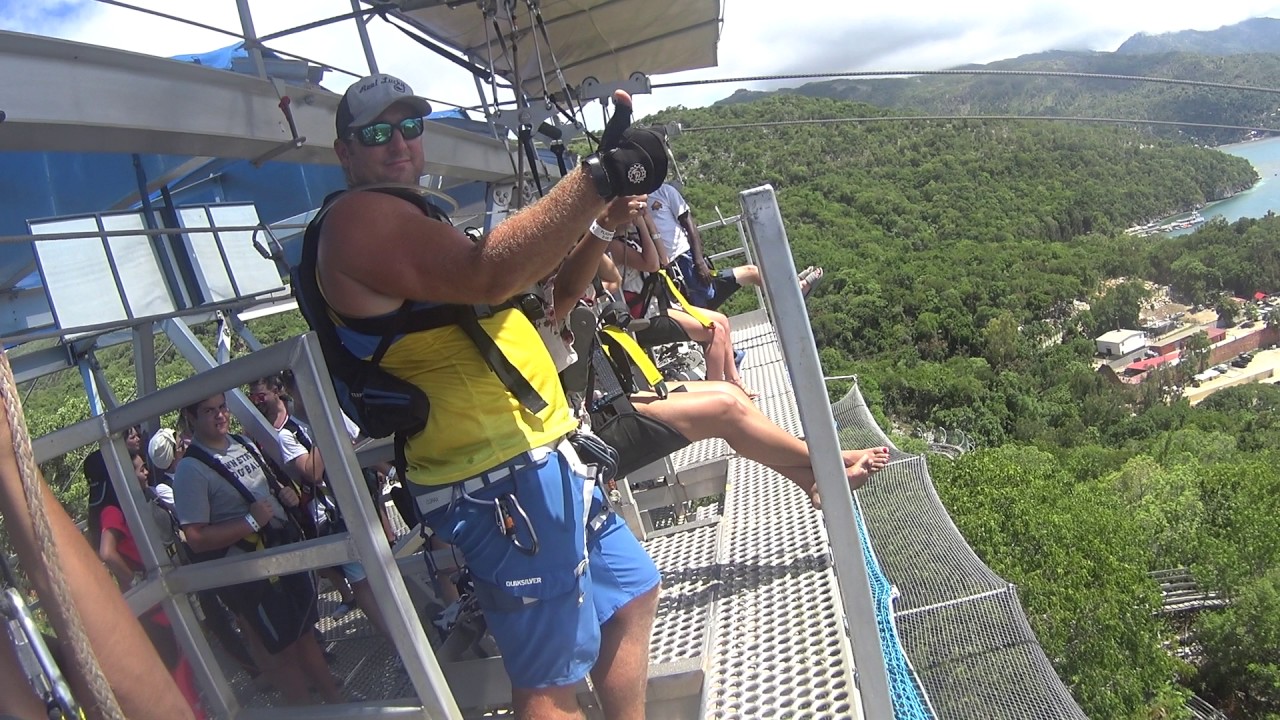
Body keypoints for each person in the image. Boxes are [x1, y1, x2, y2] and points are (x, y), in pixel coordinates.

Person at [313, 72, 666, 719]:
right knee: (548, 674)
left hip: (539, 459)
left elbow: (547, 294)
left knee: (631, 593)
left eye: (410, 127)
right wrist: (594, 177)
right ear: (345, 151)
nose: (399, 144)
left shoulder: (423, 228)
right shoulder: (358, 221)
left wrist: (596, 214)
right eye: (377, 133)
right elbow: (492, 271)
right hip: (492, 476)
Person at [172, 392, 341, 705]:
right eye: (209, 411)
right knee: (284, 651)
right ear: (192, 418)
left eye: (222, 407)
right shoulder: (191, 470)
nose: (220, 415)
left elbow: (266, 489)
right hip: (253, 572)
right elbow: (194, 536)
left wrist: (285, 496)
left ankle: (336, 704)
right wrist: (250, 523)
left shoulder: (241, 442)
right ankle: (306, 711)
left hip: (282, 552)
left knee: (305, 634)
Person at [247, 373, 390, 635]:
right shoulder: (287, 434)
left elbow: (355, 441)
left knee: (382, 567)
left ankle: (404, 630)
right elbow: (311, 471)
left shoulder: (319, 414)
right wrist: (321, 425)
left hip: (356, 498)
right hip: (330, 513)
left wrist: (387, 471)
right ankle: (396, 642)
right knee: (362, 580)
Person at [86, 449, 206, 719]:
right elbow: (107, 552)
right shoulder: (113, 508)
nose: (142, 472)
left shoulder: (119, 504)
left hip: (154, 603)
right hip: (153, 608)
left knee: (183, 673)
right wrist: (137, 579)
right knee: (179, 674)